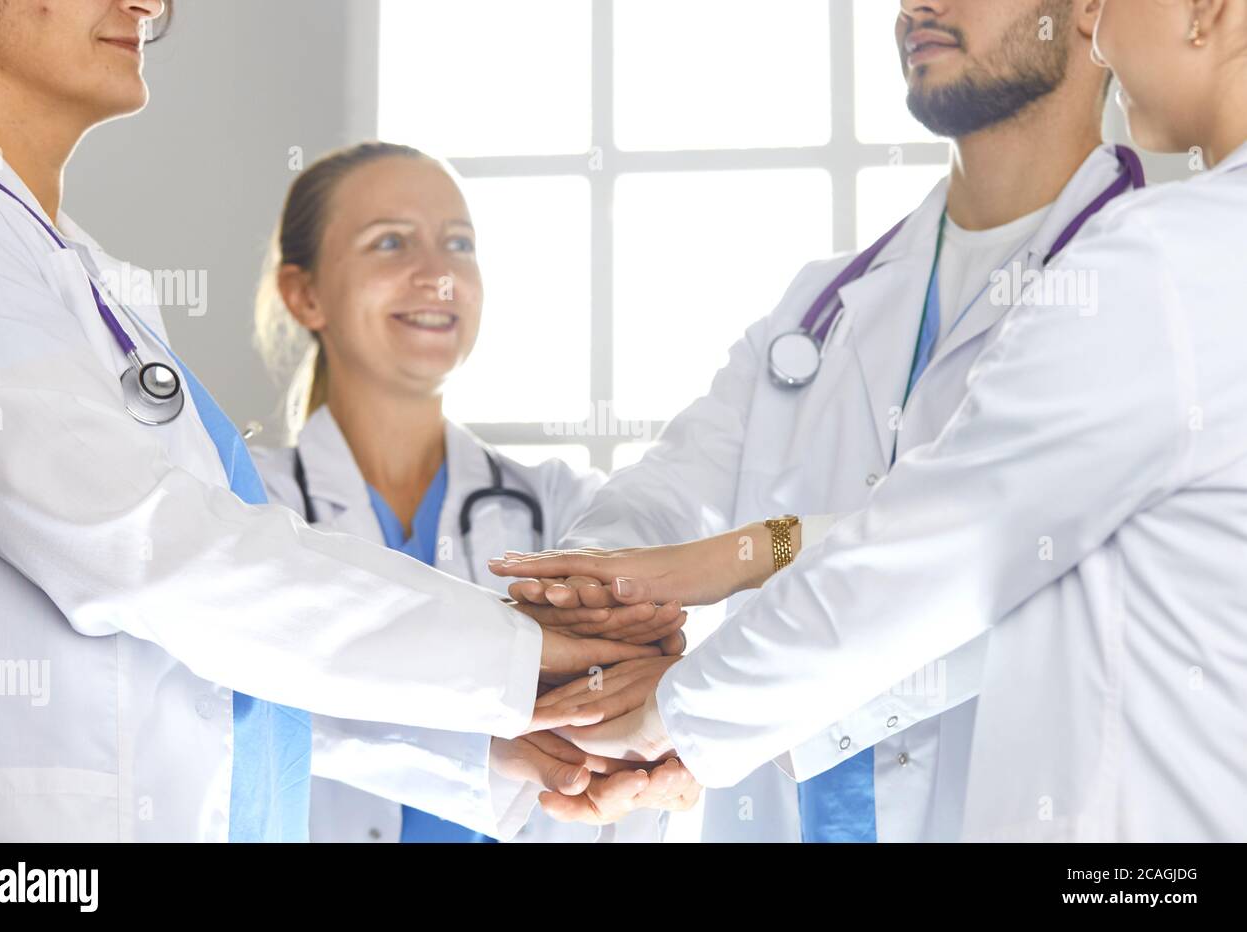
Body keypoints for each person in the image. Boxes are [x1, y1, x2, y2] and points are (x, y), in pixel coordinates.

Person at [497, 0, 1247, 841]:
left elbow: (954, 547)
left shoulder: (1162, 268)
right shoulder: (820, 307)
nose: (917, 5)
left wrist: (690, 686)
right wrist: (592, 605)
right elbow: (670, 491)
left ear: (1086, 14)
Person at [0, 0, 685, 841]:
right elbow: (156, 557)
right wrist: (522, 651)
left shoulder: (56, 260)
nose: (151, 5)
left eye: (459, 245)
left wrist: (502, 748)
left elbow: (208, 672)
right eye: (388, 244)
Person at [248, 141, 692, 842]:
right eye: (389, 242)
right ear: (305, 295)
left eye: (459, 244)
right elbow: (231, 709)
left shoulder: (565, 510)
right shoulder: (245, 509)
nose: (438, 275)